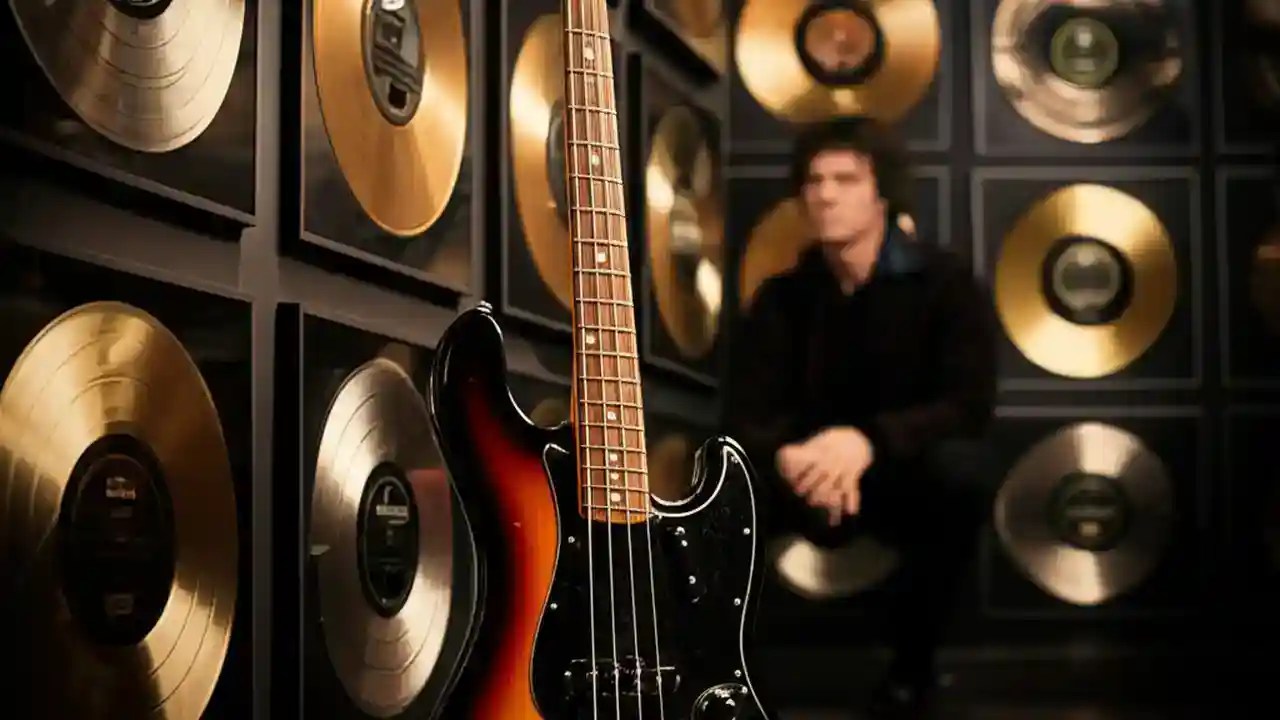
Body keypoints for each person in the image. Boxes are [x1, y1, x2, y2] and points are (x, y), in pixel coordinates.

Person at [727, 117, 998, 717]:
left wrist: (868, 442)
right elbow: (746, 410)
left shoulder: (944, 282)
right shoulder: (783, 296)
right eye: (814, 180)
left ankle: (912, 671)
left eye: (846, 179)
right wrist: (789, 456)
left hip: (900, 475)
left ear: (883, 192)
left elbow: (968, 403)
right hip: (805, 474)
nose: (824, 193)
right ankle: (732, 674)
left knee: (962, 474)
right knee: (728, 482)